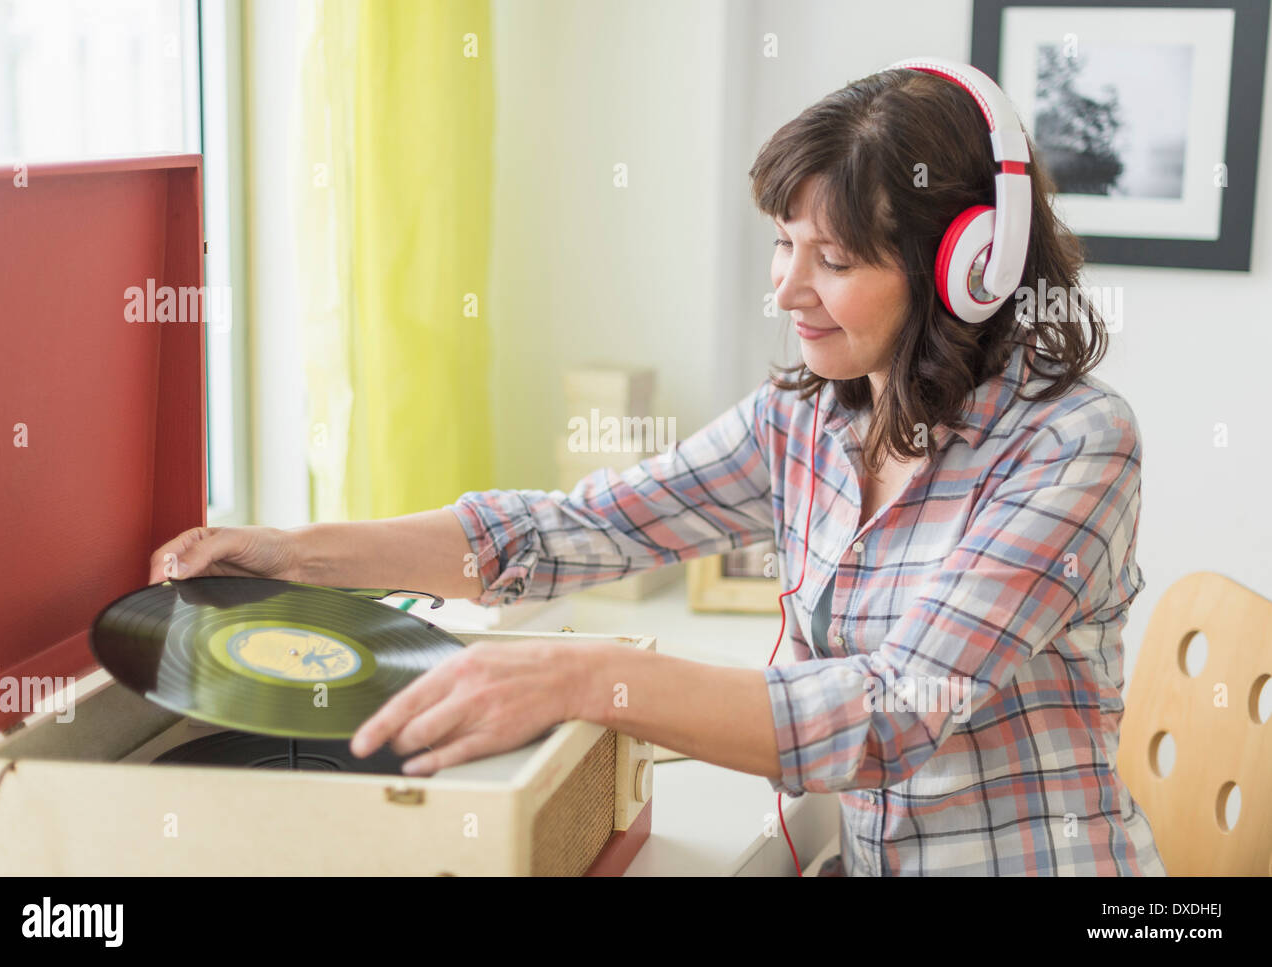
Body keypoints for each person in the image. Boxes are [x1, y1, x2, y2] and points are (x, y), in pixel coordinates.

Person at [149, 61, 1166, 876]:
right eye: (783, 244)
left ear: (969, 270)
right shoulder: (805, 419)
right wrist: (297, 553)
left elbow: (893, 715)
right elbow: (574, 528)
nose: (788, 289)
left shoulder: (1073, 444)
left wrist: (588, 677)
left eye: (835, 261)